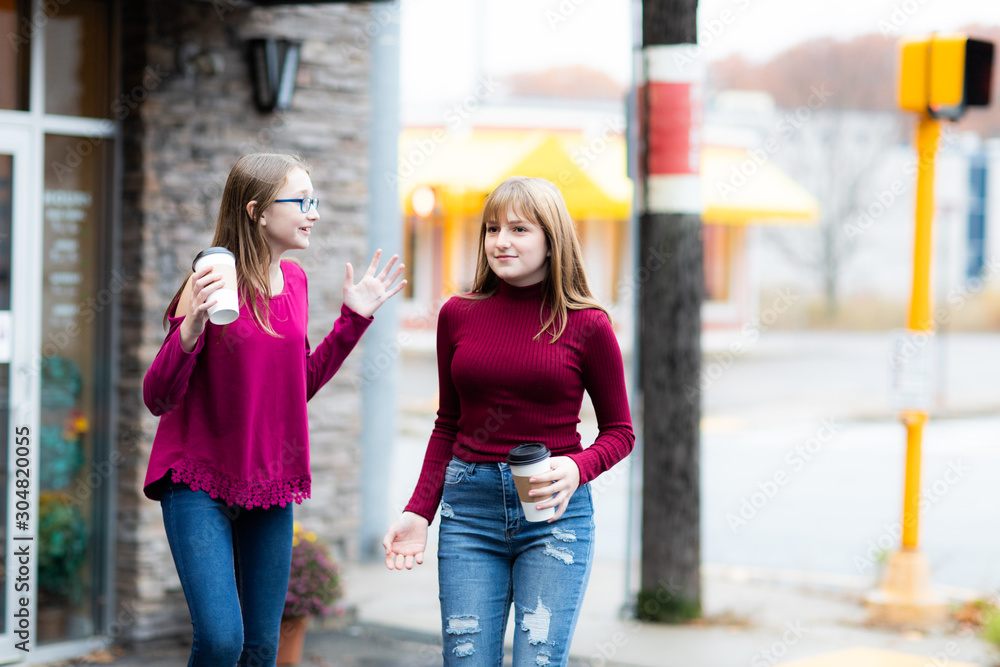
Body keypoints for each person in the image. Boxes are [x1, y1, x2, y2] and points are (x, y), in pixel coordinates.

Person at [142, 153, 404, 667]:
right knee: (221, 641)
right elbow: (158, 397)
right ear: (258, 210)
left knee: (262, 648)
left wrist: (353, 321)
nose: (314, 213)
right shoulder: (209, 282)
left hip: (269, 481)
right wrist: (191, 328)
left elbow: (296, 385)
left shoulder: (298, 283)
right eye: (301, 201)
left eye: (315, 201)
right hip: (198, 478)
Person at [382, 176, 634, 666]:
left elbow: (620, 433)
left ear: (551, 239)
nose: (501, 241)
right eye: (492, 228)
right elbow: (448, 424)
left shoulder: (588, 323)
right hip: (469, 514)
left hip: (552, 513)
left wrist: (578, 468)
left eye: (519, 229)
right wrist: (419, 511)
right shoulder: (458, 314)